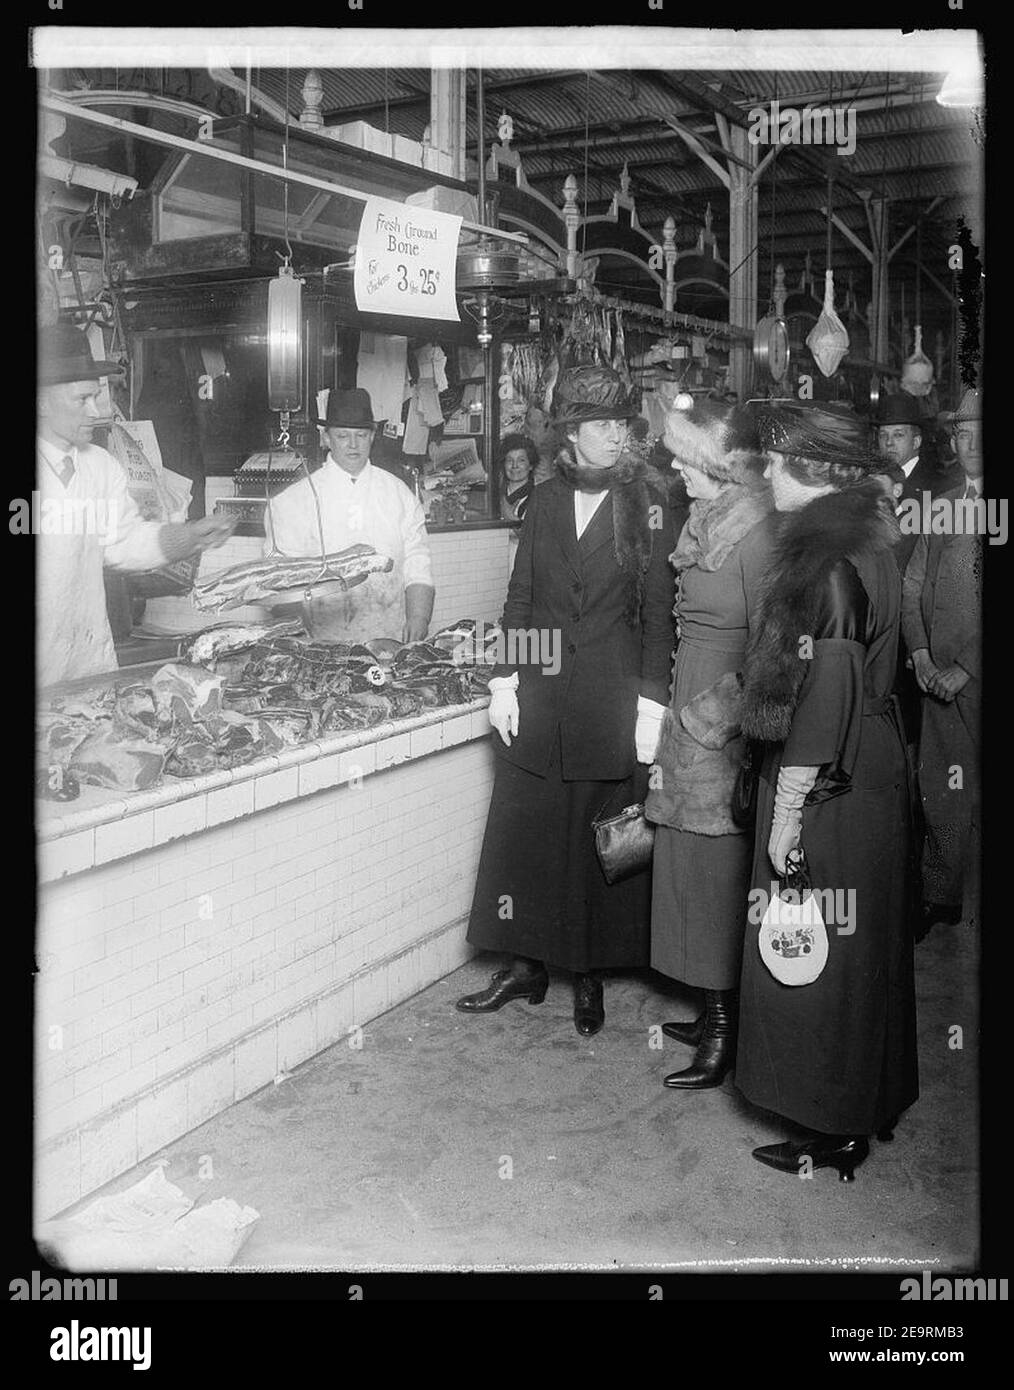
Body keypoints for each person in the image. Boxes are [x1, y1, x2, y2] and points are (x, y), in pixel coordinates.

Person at [458, 365, 675, 1035]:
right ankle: (525, 966)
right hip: (543, 696)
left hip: (608, 699)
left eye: (622, 426)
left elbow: (658, 611)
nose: (617, 437)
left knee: (592, 839)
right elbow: (521, 596)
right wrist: (505, 678)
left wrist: (650, 703)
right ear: (572, 435)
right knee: (527, 835)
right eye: (604, 425)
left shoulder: (647, 501)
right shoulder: (545, 501)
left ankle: (589, 975)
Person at [736, 401, 919, 1182]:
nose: (765, 473)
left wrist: (787, 812)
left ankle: (833, 1125)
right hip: (873, 767)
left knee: (817, 950)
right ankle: (870, 1101)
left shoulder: (829, 562)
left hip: (831, 783)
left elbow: (828, 686)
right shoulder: (866, 536)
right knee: (862, 945)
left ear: (812, 471)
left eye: (776, 462)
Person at [645, 399, 776, 1088]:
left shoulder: (757, 535)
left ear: (720, 467)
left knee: (719, 870)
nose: (674, 468)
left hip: (718, 719)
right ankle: (707, 1005)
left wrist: (708, 720)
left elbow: (772, 654)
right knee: (688, 864)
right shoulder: (706, 519)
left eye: (686, 460)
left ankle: (726, 1028)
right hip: (686, 700)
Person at [36, 323, 235, 688]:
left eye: (98, 396)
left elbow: (123, 542)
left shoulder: (99, 466)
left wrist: (188, 537)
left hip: (88, 667)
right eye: (82, 399)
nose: (97, 411)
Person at [902, 388, 983, 935]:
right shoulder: (945, 501)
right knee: (943, 793)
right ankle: (940, 895)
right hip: (940, 682)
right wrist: (922, 653)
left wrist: (969, 666)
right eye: (962, 432)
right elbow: (912, 584)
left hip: (973, 678)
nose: (971, 443)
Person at [264, 388, 434, 643]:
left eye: (361, 435)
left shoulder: (399, 494)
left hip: (390, 641)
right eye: (343, 435)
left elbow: (417, 564)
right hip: (319, 645)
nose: (353, 444)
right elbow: (279, 584)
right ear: (326, 438)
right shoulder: (291, 502)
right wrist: (298, 646)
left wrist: (419, 618)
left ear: (372, 437)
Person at [497, 433, 538, 524]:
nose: (514, 465)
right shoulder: (495, 496)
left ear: (531, 465)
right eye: (509, 460)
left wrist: (512, 520)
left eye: (521, 460)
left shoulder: (540, 499)